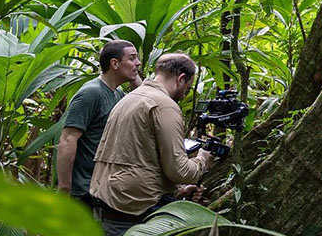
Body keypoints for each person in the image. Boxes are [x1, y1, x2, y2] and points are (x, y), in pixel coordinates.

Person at [88, 52, 216, 235]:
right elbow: (179, 170)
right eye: (187, 88)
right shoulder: (164, 106)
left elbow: (137, 156)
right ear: (181, 79)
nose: (185, 93)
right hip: (133, 211)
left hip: (108, 201)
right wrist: (202, 160)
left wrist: (176, 190)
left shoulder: (130, 97)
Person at [57, 39, 142, 205]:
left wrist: (133, 75)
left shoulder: (117, 93)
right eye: (132, 58)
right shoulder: (91, 93)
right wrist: (64, 187)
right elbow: (67, 140)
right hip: (83, 190)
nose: (138, 63)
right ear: (114, 63)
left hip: (101, 188)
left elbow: (146, 98)